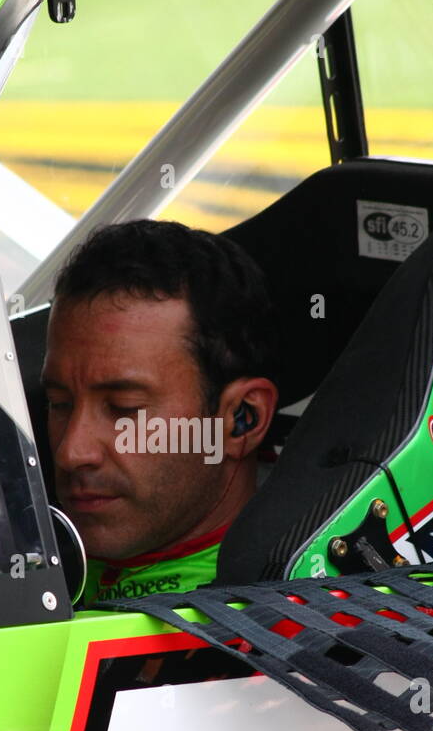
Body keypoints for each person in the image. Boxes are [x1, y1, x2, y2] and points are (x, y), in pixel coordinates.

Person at [41, 219, 280, 605]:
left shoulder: (285, 625)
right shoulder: (17, 556)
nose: (72, 452)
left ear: (240, 421)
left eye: (125, 410)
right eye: (59, 404)